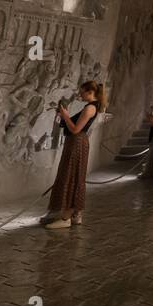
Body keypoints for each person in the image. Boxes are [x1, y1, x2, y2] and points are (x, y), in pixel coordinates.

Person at [42, 81, 104, 229]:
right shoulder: (90, 106)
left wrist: (65, 115)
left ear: (90, 92)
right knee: (70, 175)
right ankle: (73, 214)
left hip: (77, 143)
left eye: (82, 91)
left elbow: (76, 129)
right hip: (75, 143)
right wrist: (64, 117)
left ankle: (66, 218)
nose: (80, 94)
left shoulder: (90, 108)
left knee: (72, 176)